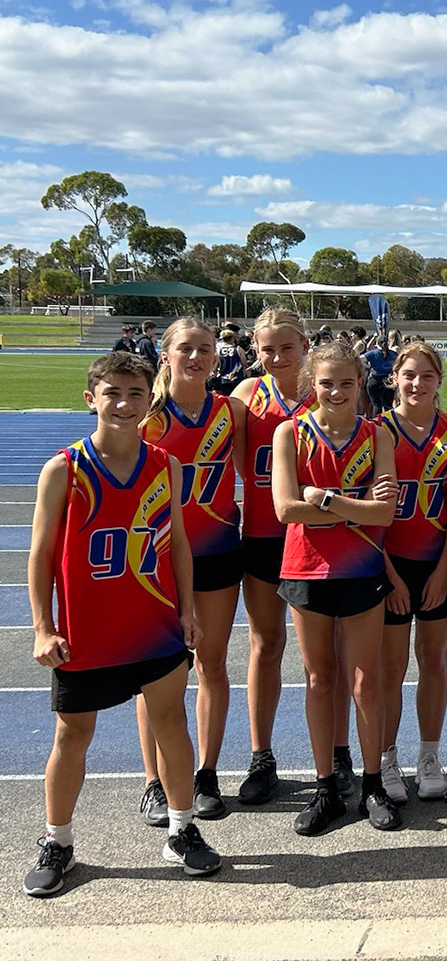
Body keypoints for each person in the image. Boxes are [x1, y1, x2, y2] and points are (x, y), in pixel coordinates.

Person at [24, 352, 222, 897]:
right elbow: (40, 556)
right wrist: (43, 628)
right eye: (113, 392)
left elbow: (177, 543)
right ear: (91, 399)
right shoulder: (64, 468)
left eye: (135, 393)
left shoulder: (164, 465)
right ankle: (58, 840)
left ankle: (182, 829)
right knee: (72, 734)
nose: (124, 404)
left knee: (171, 724)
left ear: (148, 399)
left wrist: (186, 610)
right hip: (87, 630)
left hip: (155, 623)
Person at [272, 341, 400, 835]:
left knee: (366, 682)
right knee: (319, 680)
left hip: (362, 570)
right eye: (326, 382)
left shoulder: (376, 435)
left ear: (359, 383)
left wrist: (322, 497)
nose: (337, 391)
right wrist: (356, 503)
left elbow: (384, 513)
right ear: (312, 382)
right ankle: (327, 787)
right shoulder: (291, 433)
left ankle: (372, 785)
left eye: (347, 382)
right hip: (305, 569)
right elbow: (286, 509)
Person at [134, 319, 248, 827]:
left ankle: (205, 774)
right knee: (158, 674)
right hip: (158, 559)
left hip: (220, 549)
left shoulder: (229, 410)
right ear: (166, 355)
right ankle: (155, 783)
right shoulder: (149, 417)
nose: (197, 357)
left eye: (205, 349)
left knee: (213, 665)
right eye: (186, 349)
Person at [230, 308, 314, 805]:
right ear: (255, 351)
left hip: (316, 539)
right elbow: (238, 462)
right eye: (267, 349)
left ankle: (336, 754)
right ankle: (262, 756)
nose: (278, 356)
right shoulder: (246, 396)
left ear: (304, 344)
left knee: (322, 657)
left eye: (287, 346)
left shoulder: (326, 389)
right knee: (266, 644)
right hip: (262, 534)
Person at [375, 342, 447, 805]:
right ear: (394, 377)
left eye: (426, 376)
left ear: (438, 381)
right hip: (389, 562)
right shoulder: (376, 431)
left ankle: (428, 755)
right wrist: (387, 575)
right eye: (408, 374)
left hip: (436, 563)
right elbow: (369, 514)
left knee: (433, 661)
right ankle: (386, 757)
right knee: (391, 668)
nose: (416, 384)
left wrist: (445, 569)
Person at [364, 330, 398, 414]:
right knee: (389, 406)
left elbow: (358, 359)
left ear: (377, 343)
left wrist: (369, 368)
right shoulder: (393, 354)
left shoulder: (372, 353)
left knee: (376, 405)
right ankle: (390, 423)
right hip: (388, 380)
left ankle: (376, 424)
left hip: (374, 380)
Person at [212, 327, 247, 394]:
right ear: (232, 338)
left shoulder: (219, 350)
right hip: (237, 378)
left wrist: (215, 373)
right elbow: (244, 363)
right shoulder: (238, 349)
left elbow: (216, 364)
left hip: (223, 379)